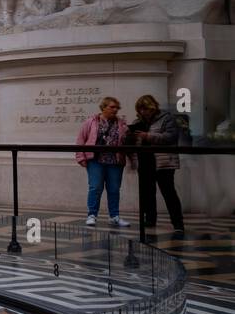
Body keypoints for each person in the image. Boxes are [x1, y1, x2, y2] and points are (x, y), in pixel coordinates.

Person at [129, 94, 184, 235]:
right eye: (140, 109)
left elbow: (170, 137)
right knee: (147, 193)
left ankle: (178, 223)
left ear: (152, 107)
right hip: (145, 161)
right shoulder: (137, 121)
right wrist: (130, 136)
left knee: (168, 192)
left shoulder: (167, 118)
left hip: (163, 161)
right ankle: (150, 219)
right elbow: (134, 144)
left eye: (145, 109)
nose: (143, 112)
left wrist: (147, 136)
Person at [75, 96, 131, 228]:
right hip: (96, 160)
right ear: (103, 107)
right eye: (112, 107)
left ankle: (114, 216)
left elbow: (126, 142)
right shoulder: (91, 122)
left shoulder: (121, 123)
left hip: (115, 161)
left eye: (117, 107)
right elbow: (81, 140)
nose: (115, 110)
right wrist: (80, 157)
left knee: (114, 189)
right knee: (95, 187)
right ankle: (92, 215)